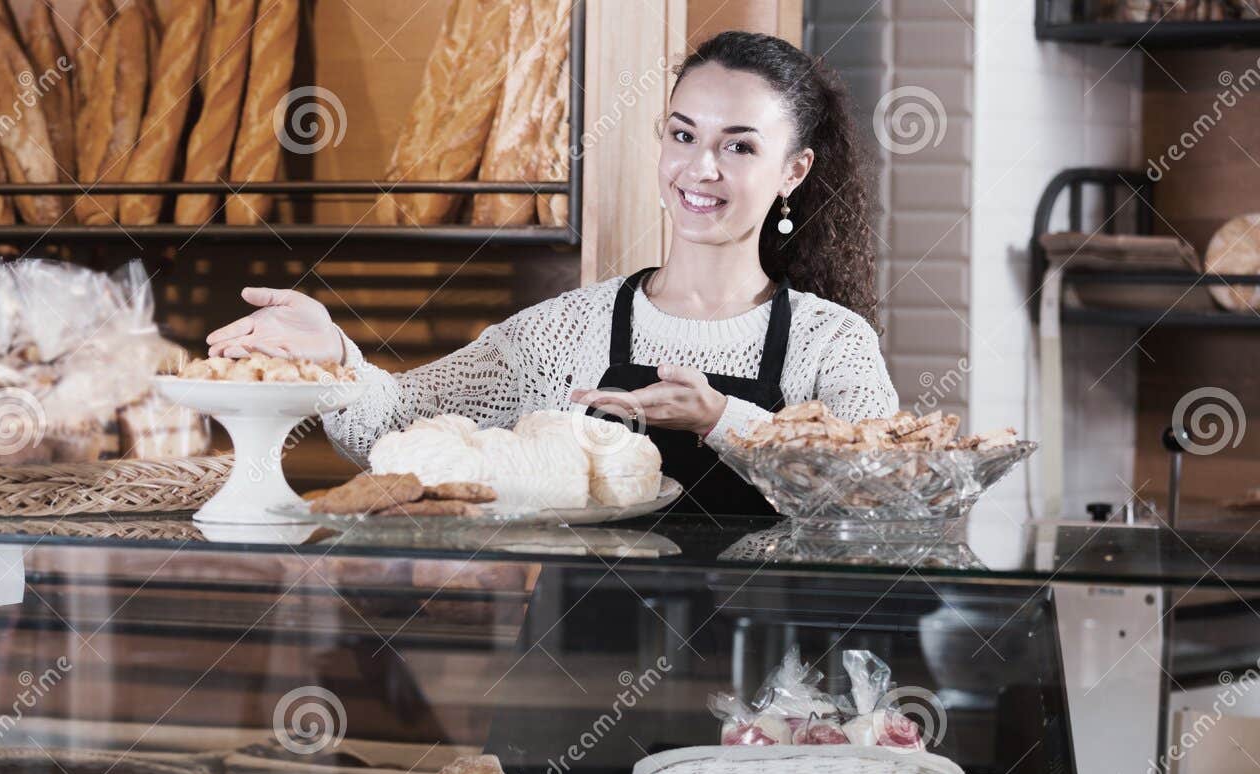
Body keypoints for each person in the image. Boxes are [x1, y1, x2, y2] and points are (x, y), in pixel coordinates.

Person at [206, 30, 899, 517]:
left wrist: (722, 420)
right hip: (579, 676)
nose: (701, 168)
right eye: (683, 135)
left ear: (794, 171)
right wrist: (336, 356)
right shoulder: (570, 329)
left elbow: (877, 497)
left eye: (739, 146)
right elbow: (392, 428)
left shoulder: (830, 343)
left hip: (764, 688)